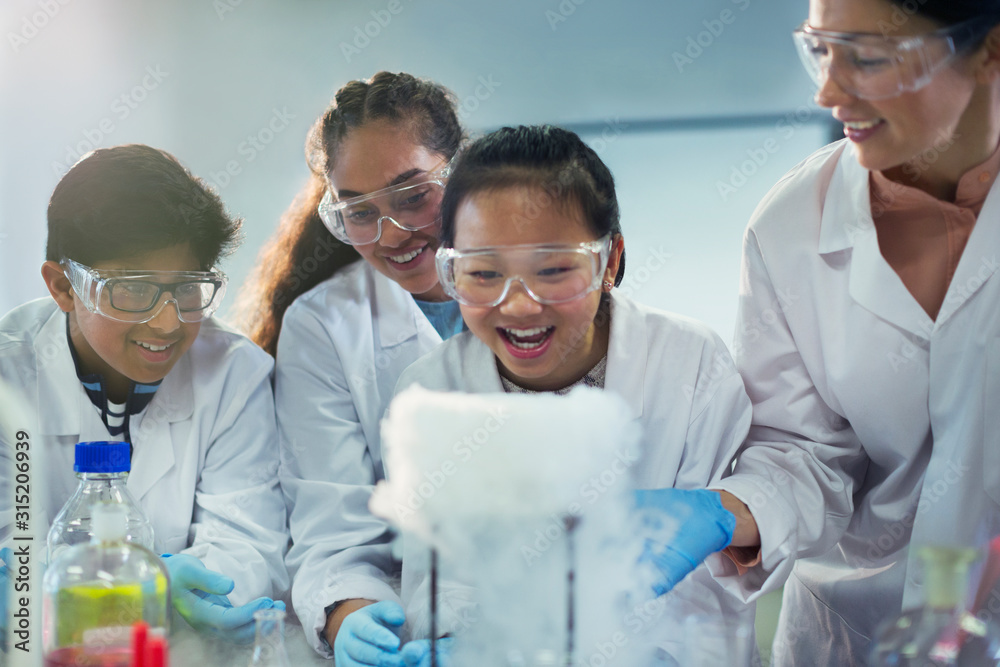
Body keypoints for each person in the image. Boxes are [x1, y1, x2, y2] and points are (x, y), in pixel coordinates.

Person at [658, 0, 1000, 663]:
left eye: (868, 57)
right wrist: (729, 508)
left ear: (989, 49)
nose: (827, 91)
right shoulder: (790, 224)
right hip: (851, 631)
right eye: (820, 50)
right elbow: (803, 448)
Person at [391, 124, 756, 663]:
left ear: (609, 261)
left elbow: (710, 594)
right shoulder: (430, 389)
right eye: (484, 273)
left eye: (554, 270)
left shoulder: (689, 361)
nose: (518, 306)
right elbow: (436, 581)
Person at [0, 144, 288, 645]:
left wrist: (104, 595)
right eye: (131, 289)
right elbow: (14, 565)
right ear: (64, 287)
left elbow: (249, 546)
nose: (167, 321)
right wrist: (145, 588)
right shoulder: (10, 382)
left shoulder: (233, 374)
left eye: (187, 288)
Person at [236, 71, 465, 662]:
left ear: (461, 169)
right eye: (360, 212)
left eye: (415, 195)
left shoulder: (542, 287)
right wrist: (352, 618)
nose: (393, 233)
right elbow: (333, 530)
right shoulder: (323, 325)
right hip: (410, 626)